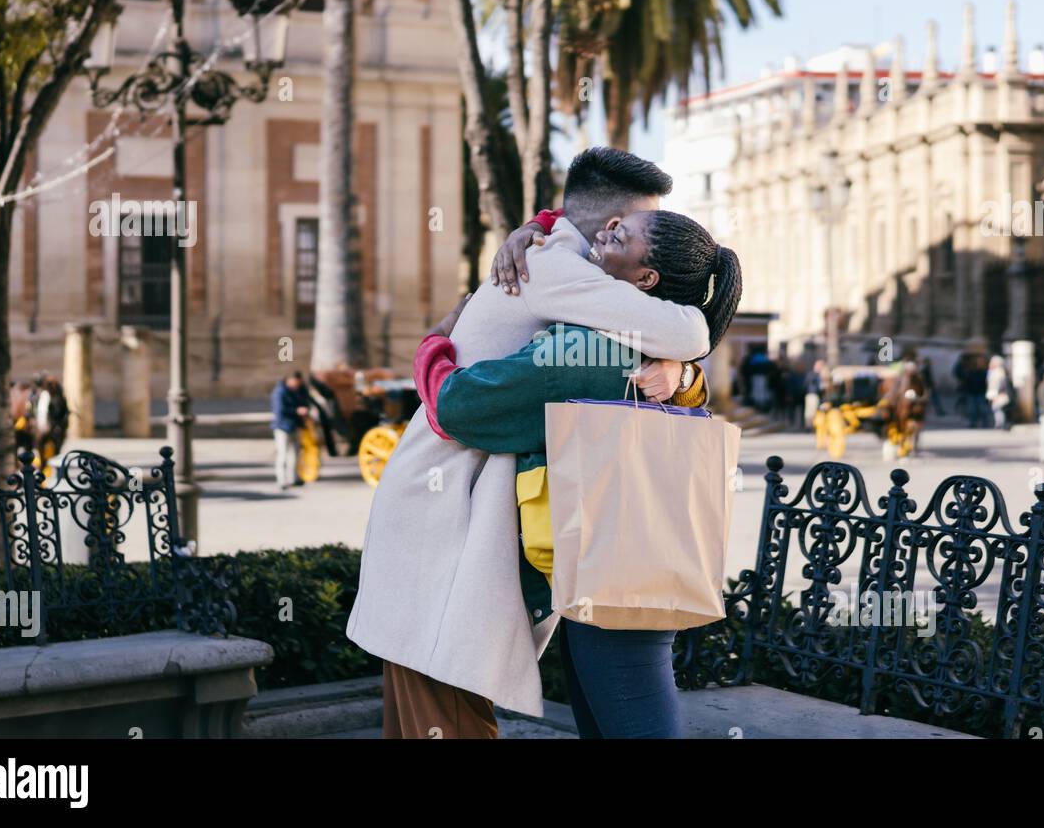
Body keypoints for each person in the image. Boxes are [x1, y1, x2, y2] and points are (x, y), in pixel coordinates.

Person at [346, 148, 711, 739]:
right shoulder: (557, 270)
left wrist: (684, 374)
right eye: (635, 223)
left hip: (453, 520)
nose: (626, 232)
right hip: (445, 524)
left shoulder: (564, 269)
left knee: (430, 710)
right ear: (604, 225)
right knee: (443, 708)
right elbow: (686, 328)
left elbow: (656, 346)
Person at [418, 210, 742, 738]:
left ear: (645, 279)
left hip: (610, 574)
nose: (606, 229)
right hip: (642, 564)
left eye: (623, 233)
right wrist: (537, 224)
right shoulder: (660, 343)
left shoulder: (586, 346)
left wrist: (433, 348)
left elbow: (460, 407)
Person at [269, 371, 310, 490]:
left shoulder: (299, 390)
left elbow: (305, 402)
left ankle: (293, 478)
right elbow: (280, 411)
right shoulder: (279, 392)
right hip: (282, 427)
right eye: (296, 382)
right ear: (290, 380)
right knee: (282, 454)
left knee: (295, 454)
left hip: (295, 425)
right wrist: (297, 411)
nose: (297, 385)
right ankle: (282, 480)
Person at [986, 355, 1012, 430]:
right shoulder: (992, 372)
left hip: (998, 394)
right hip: (994, 394)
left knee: (998, 409)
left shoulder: (999, 372)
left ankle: (1000, 424)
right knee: (996, 409)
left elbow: (1000, 384)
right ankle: (999, 423)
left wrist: (996, 393)